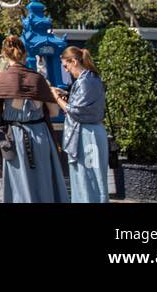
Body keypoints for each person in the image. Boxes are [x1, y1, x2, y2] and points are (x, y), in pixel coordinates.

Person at [0, 35, 67, 203]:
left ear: (4, 56)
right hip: (41, 135)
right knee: (43, 182)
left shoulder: (2, 79)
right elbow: (54, 112)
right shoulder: (38, 78)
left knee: (20, 186)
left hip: (16, 138)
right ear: (25, 55)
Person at [54, 45, 109, 202]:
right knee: (87, 178)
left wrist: (56, 98)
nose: (65, 70)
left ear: (74, 61)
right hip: (89, 133)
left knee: (89, 179)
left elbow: (75, 110)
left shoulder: (85, 81)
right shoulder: (90, 78)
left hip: (87, 135)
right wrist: (66, 94)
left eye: (66, 65)